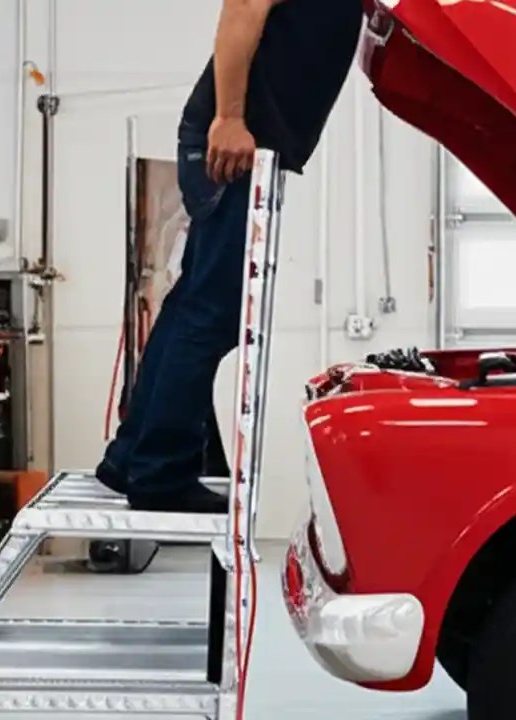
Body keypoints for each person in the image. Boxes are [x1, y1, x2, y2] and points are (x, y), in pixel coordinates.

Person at [96, 0, 366, 513]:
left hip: (250, 145)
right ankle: (160, 472)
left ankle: (130, 457)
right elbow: (241, 9)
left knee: (193, 306)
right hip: (236, 143)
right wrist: (230, 118)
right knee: (210, 315)